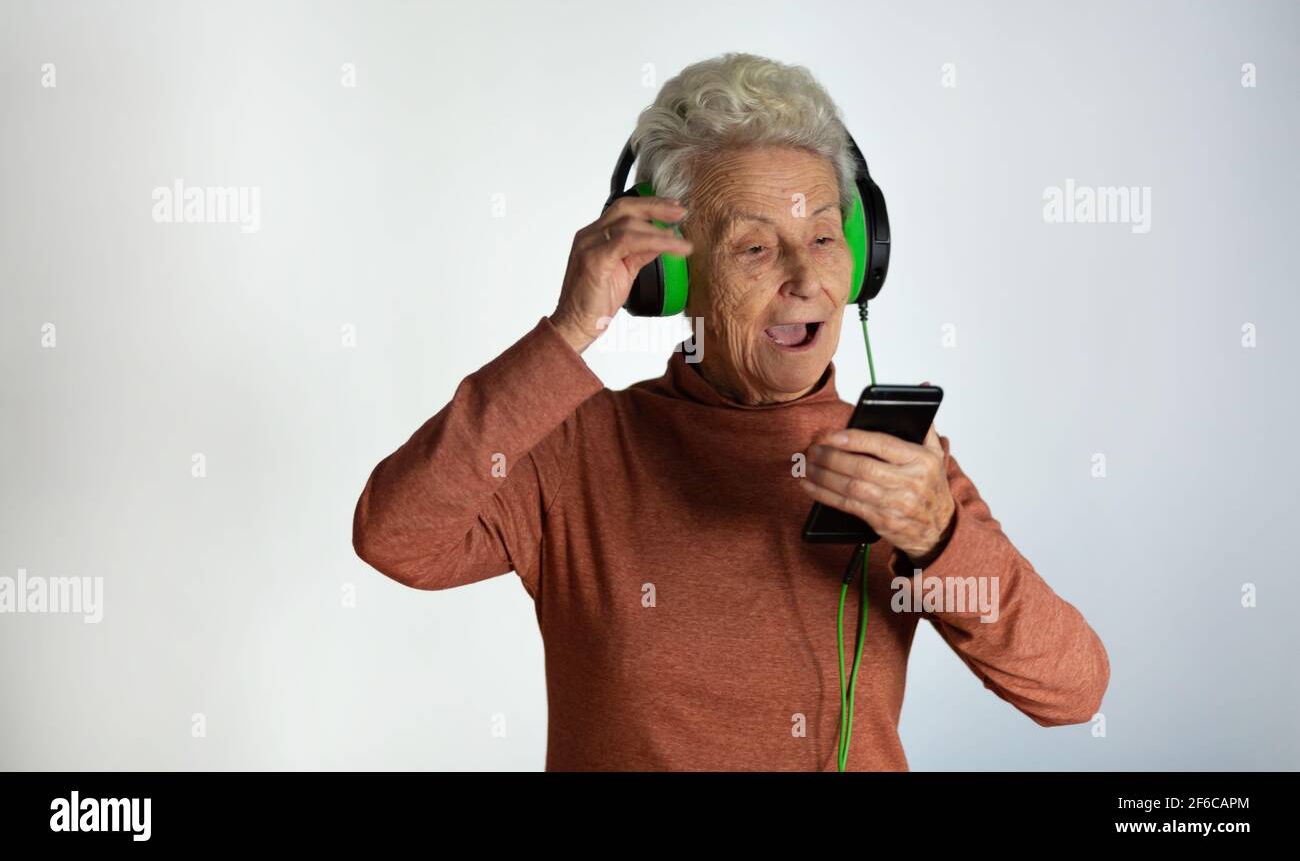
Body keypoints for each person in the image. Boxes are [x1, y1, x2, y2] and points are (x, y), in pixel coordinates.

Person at [352, 52, 1110, 770]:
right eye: (754, 248)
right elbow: (397, 537)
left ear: (859, 255)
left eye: (821, 236)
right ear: (671, 278)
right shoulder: (576, 448)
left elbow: (1073, 691)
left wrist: (939, 539)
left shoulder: (899, 468)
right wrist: (567, 333)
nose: (805, 276)